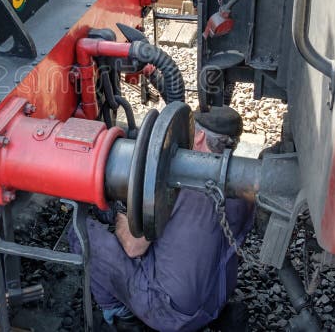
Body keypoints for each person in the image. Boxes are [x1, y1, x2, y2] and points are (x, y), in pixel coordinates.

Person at [71, 107, 254, 332]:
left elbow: (133, 248)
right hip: (215, 302)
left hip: (171, 313)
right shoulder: (246, 187)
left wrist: (119, 215)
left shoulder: (179, 186)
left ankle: (121, 315)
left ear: (199, 137)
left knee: (80, 231)